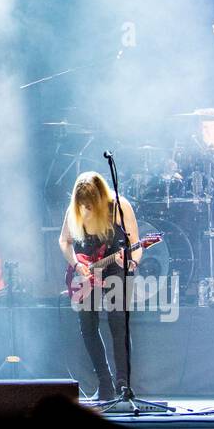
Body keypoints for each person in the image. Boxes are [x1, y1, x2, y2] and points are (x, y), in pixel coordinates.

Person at [57, 171, 142, 402]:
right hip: (86, 271)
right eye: (82, 204)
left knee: (118, 321)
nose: (87, 208)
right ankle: (104, 383)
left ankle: (123, 384)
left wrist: (133, 261)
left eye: (90, 204)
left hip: (115, 266)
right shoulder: (74, 210)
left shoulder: (119, 207)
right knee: (87, 324)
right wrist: (75, 264)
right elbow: (64, 241)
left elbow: (136, 244)